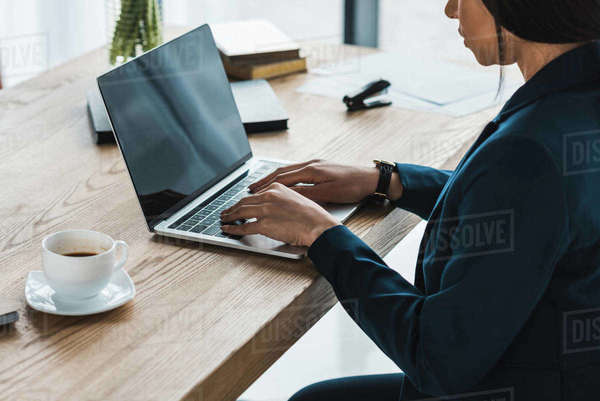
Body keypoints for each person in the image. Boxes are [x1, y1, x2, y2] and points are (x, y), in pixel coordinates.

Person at [221, 0, 600, 399]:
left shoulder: (528, 152)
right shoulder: (576, 96)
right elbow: (529, 212)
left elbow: (436, 359)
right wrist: (387, 181)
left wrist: (321, 234)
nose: (450, 10)